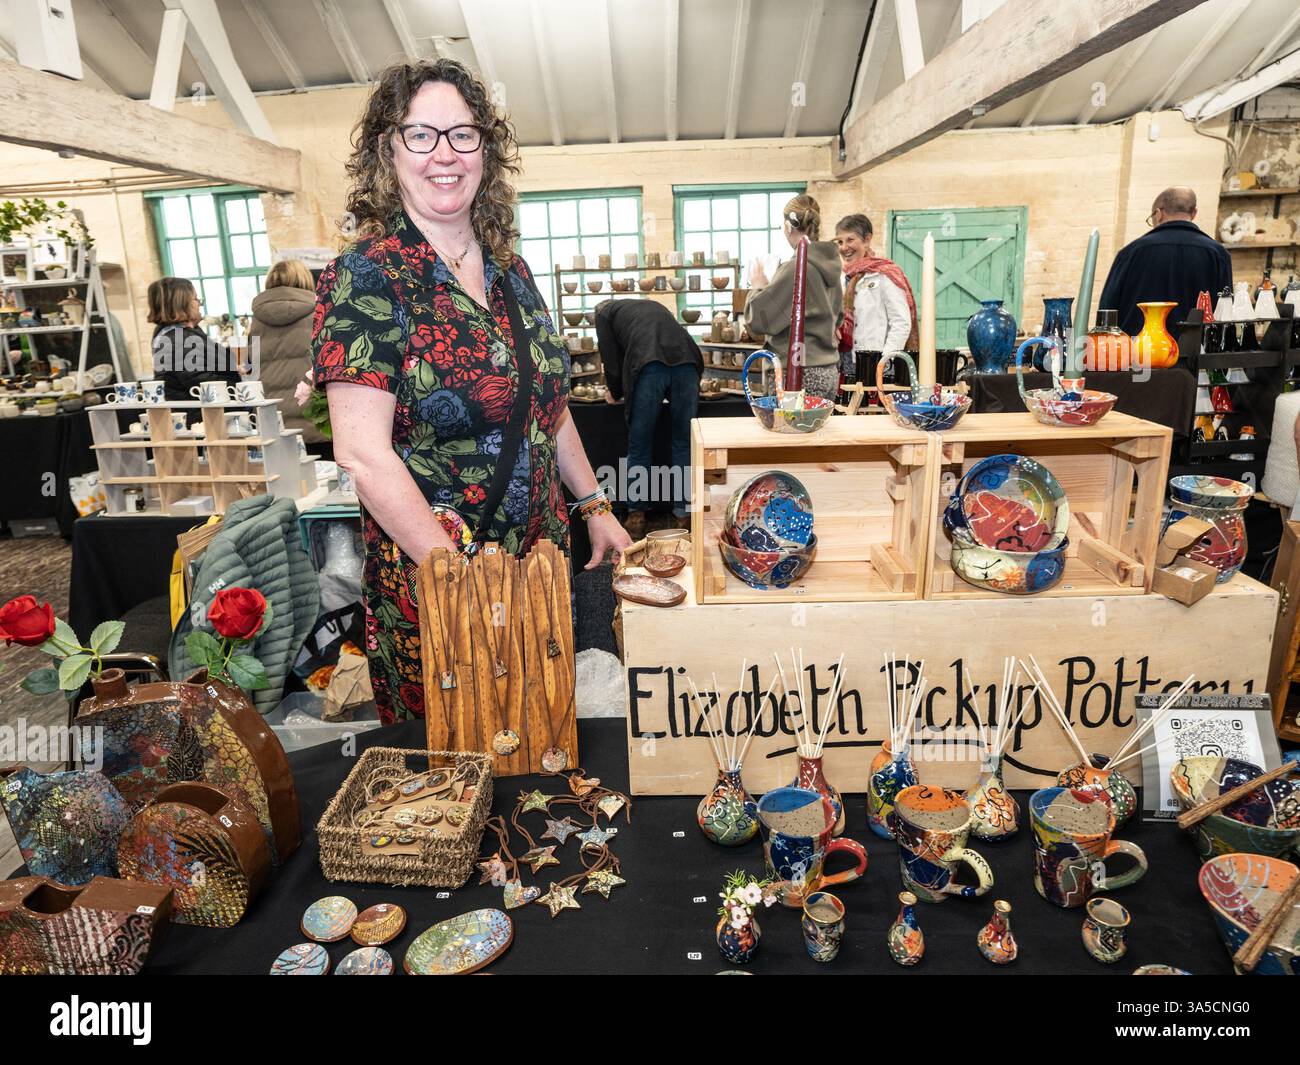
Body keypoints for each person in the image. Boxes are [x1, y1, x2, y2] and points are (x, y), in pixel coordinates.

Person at [312, 58, 630, 723]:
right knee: (453, 789)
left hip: (538, 573)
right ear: (387, 149)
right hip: (437, 585)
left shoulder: (512, 271)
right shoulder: (369, 276)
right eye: (421, 135)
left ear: (486, 147)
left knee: (543, 754)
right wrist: (458, 580)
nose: (444, 155)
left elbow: (545, 403)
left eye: (462, 134)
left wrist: (594, 502)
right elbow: (363, 455)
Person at [593, 298, 702, 538]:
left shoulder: (602, 314)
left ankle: (636, 516)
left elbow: (610, 357)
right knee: (684, 443)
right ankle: (684, 514)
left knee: (640, 444)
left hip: (649, 365)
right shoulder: (649, 306)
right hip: (688, 361)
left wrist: (616, 390)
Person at [743, 194, 843, 400]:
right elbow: (838, 316)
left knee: (790, 430)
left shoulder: (797, 268)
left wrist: (758, 287)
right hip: (827, 368)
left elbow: (760, 320)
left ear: (787, 226)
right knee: (816, 432)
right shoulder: (830, 265)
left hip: (798, 370)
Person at [1099, 186, 1232, 335]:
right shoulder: (1218, 254)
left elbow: (1107, 311)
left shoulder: (1131, 252)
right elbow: (1226, 311)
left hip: (1139, 351)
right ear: (1194, 213)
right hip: (1196, 352)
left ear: (1158, 214)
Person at [833, 213, 917, 380]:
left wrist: (884, 361)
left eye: (850, 240)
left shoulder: (885, 274)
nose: (843, 247)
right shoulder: (842, 278)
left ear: (867, 239)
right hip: (846, 364)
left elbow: (901, 322)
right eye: (840, 242)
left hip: (878, 366)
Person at [249, 259, 321, 442]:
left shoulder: (256, 321)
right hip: (316, 420)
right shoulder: (319, 314)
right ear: (305, 280)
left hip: (274, 423)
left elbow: (253, 369)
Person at [146, 277, 241, 401]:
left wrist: (234, 366)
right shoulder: (177, 340)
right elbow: (201, 382)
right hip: (199, 416)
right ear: (181, 304)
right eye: (196, 299)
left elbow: (211, 361)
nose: (199, 304)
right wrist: (241, 387)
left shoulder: (186, 333)